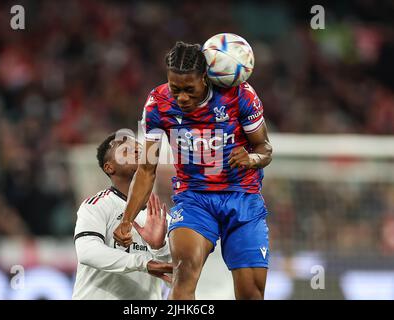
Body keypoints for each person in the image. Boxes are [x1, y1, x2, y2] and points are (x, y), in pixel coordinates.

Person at [113, 41, 273, 300]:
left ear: (205, 78)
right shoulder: (157, 105)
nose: (182, 97)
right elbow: (145, 169)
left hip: (242, 197)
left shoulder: (240, 96)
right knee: (184, 271)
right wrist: (127, 220)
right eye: (176, 89)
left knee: (251, 294)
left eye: (189, 89)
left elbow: (264, 149)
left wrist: (251, 159)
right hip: (194, 199)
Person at [72, 133, 172, 300]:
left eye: (139, 149)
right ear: (109, 168)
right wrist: (143, 263)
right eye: (126, 149)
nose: (137, 151)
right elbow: (87, 251)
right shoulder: (97, 205)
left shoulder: (162, 217)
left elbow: (174, 279)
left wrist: (159, 248)